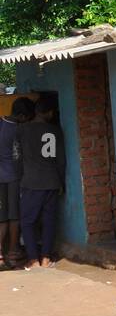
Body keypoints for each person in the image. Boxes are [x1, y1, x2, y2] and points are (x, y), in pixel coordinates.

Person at [18, 96, 64, 269]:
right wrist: (61, 182)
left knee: (28, 221)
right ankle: (45, 258)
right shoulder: (56, 131)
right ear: (49, 113)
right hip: (52, 181)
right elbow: (61, 160)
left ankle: (32, 259)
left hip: (31, 182)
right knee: (49, 221)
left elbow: (17, 156)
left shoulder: (23, 130)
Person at [0, 97, 33, 269]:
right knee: (14, 216)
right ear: (21, 116)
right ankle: (13, 252)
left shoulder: (1, 122)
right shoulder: (20, 130)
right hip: (13, 177)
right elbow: (20, 157)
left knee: (2, 216)